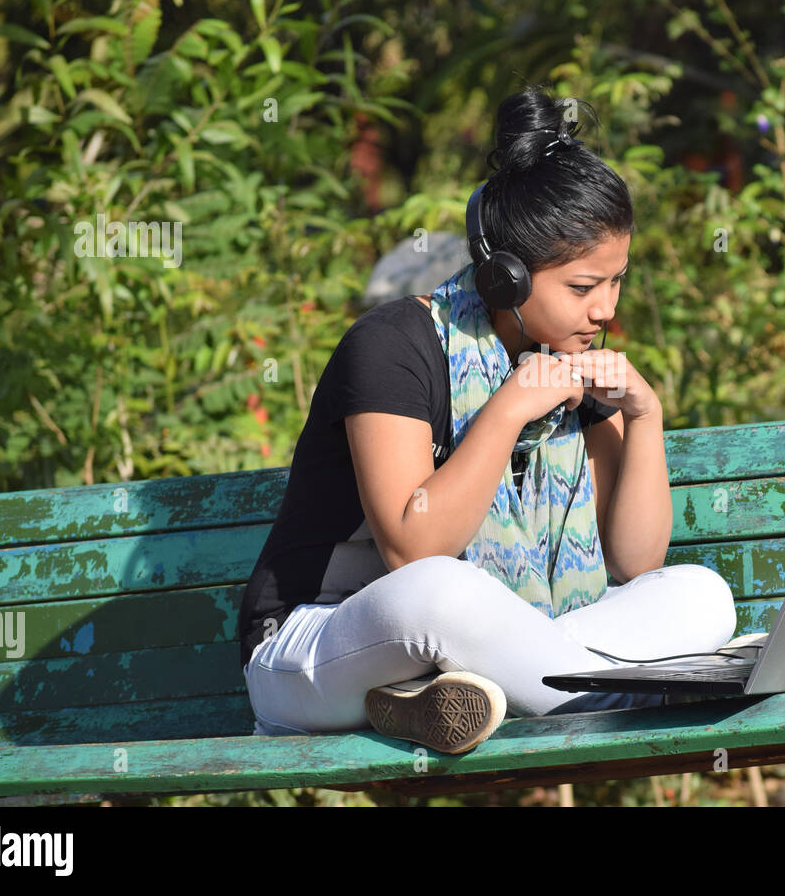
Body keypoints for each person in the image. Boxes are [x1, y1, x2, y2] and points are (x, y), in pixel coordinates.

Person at [237, 85, 737, 754]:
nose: (605, 311)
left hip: (480, 653)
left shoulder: (569, 359)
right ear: (507, 278)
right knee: (441, 592)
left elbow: (635, 560)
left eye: (616, 280)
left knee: (703, 596)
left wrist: (645, 419)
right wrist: (506, 411)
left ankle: (467, 694)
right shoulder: (392, 346)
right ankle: (622, 693)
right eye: (584, 288)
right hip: (317, 645)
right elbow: (413, 551)